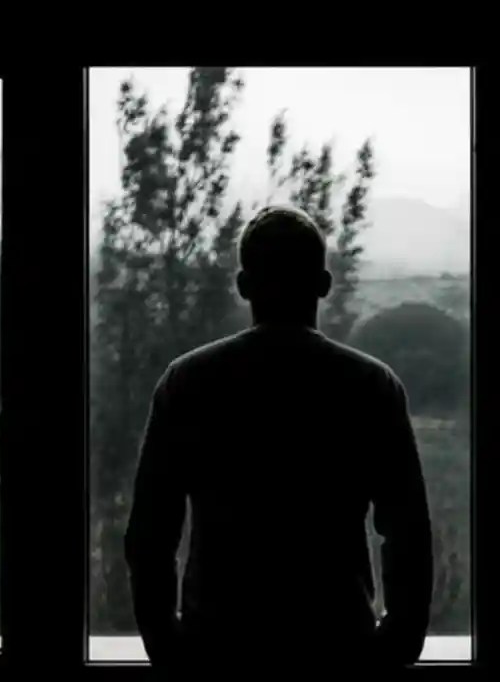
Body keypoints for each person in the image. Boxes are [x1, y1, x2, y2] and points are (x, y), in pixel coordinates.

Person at [124, 205, 434, 669]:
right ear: (323, 285)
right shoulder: (370, 386)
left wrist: (166, 648)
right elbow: (407, 532)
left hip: (219, 648)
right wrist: (396, 647)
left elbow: (151, 533)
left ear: (244, 285)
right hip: (335, 645)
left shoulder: (188, 382)